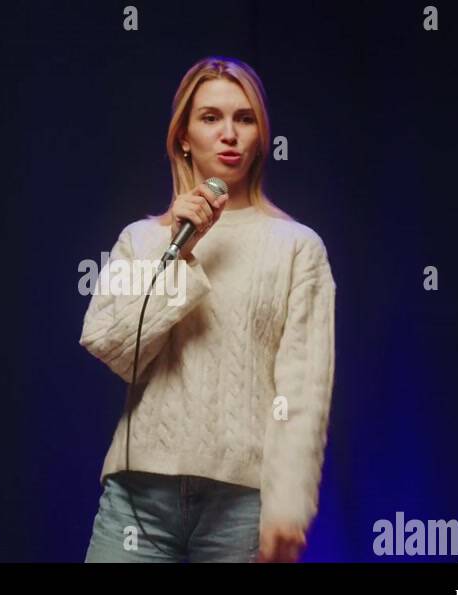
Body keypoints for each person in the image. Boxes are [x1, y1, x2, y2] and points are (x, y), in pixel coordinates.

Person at [79, 56, 336, 563]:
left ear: (261, 136)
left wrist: (289, 504)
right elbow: (111, 347)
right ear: (183, 137)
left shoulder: (296, 247)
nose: (230, 134)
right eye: (211, 118)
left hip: (241, 507)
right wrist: (180, 251)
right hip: (137, 500)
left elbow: (303, 391)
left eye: (245, 119)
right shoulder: (143, 239)